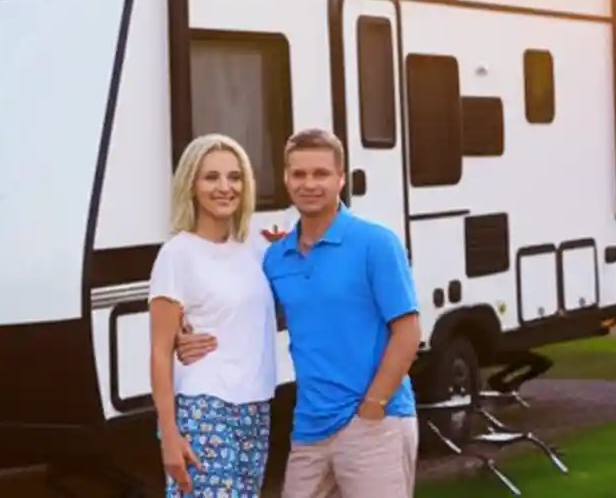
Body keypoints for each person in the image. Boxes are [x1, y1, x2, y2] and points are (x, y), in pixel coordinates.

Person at [176, 128, 422, 497]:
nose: (309, 183)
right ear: (286, 179)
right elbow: (252, 315)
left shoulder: (375, 243)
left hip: (375, 422)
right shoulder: (277, 256)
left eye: (321, 174)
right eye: (299, 174)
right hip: (309, 426)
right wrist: (188, 334)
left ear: (341, 178)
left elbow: (408, 333)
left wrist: (373, 406)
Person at [148, 133, 278, 497]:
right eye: (211, 177)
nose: (225, 187)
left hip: (255, 406)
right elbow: (159, 352)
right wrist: (168, 436)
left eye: (234, 177)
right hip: (205, 408)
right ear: (191, 185)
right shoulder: (177, 254)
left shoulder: (253, 249)